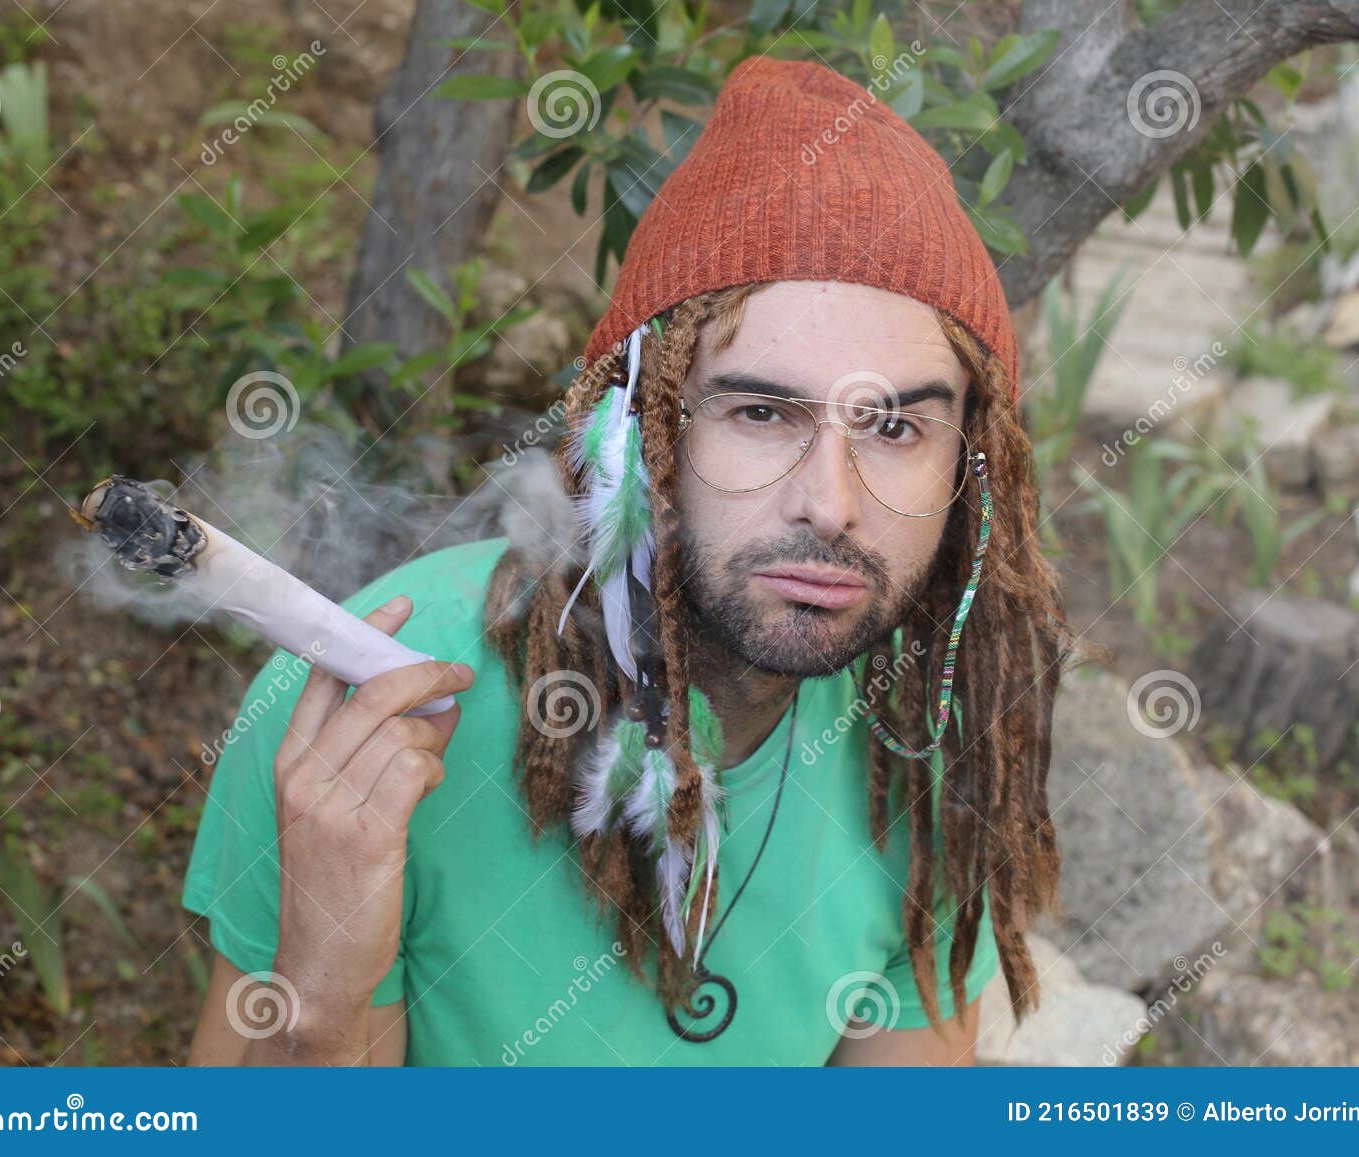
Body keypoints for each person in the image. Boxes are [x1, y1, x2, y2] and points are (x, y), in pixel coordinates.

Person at [184, 55, 1070, 1066]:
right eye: (760, 412)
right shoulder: (362, 714)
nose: (830, 502)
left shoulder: (927, 719)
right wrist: (321, 991)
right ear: (640, 433)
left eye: (896, 429)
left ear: (972, 467)